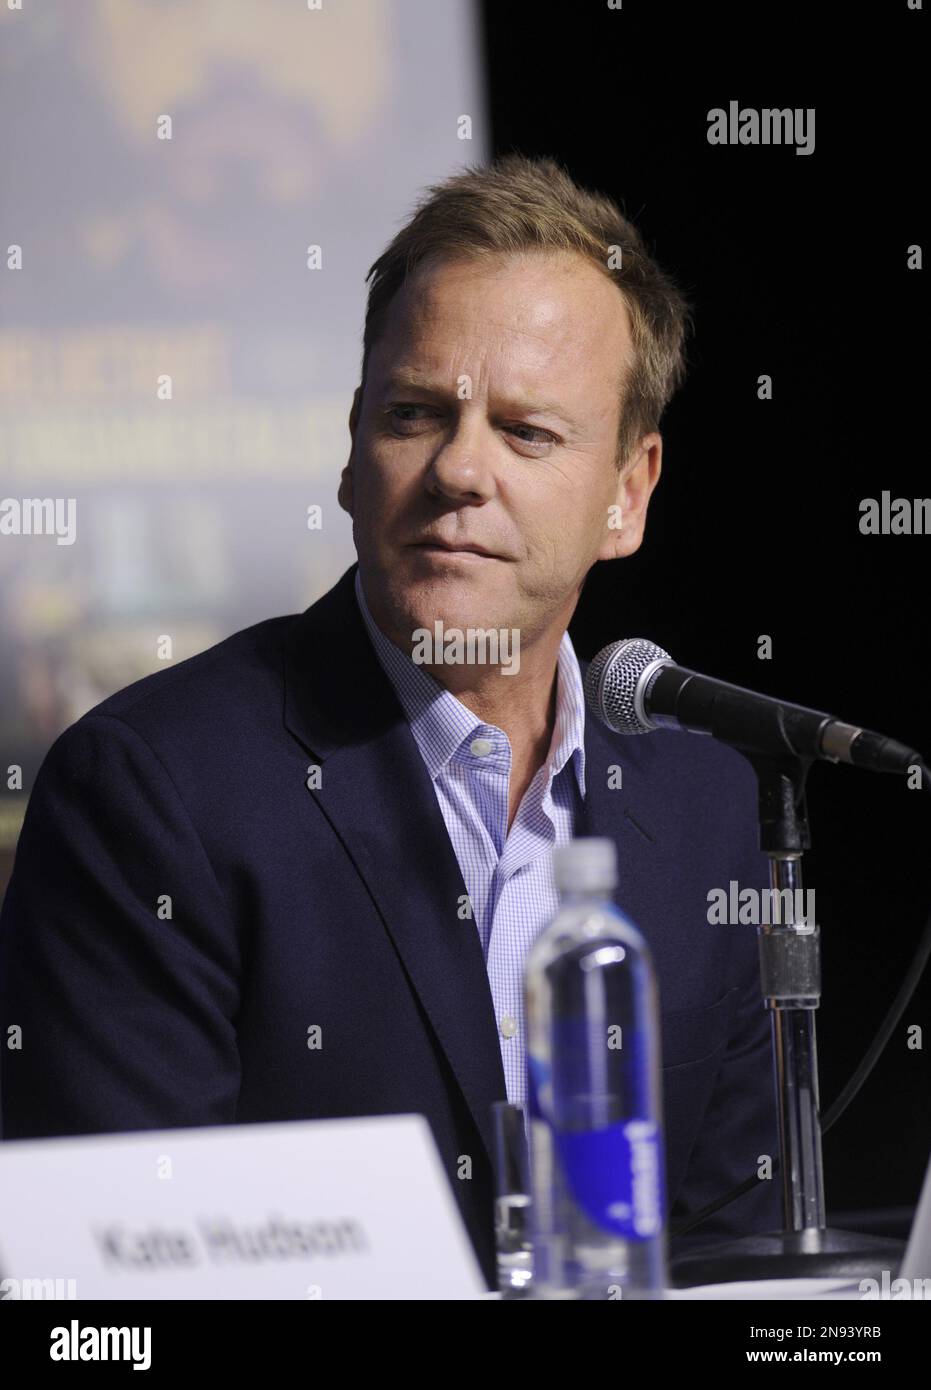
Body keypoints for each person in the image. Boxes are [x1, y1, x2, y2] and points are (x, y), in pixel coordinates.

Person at [0, 155, 780, 1289]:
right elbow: (116, 1294)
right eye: (416, 413)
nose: (459, 467)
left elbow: (729, 1255)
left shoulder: (702, 803)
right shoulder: (150, 790)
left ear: (628, 491)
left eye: (525, 431)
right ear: (352, 449)